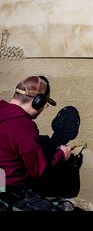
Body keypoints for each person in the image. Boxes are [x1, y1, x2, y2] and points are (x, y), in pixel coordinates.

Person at [0, 76, 73, 211]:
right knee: (66, 207)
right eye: (44, 104)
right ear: (37, 102)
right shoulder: (24, 125)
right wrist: (61, 154)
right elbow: (39, 172)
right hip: (9, 193)